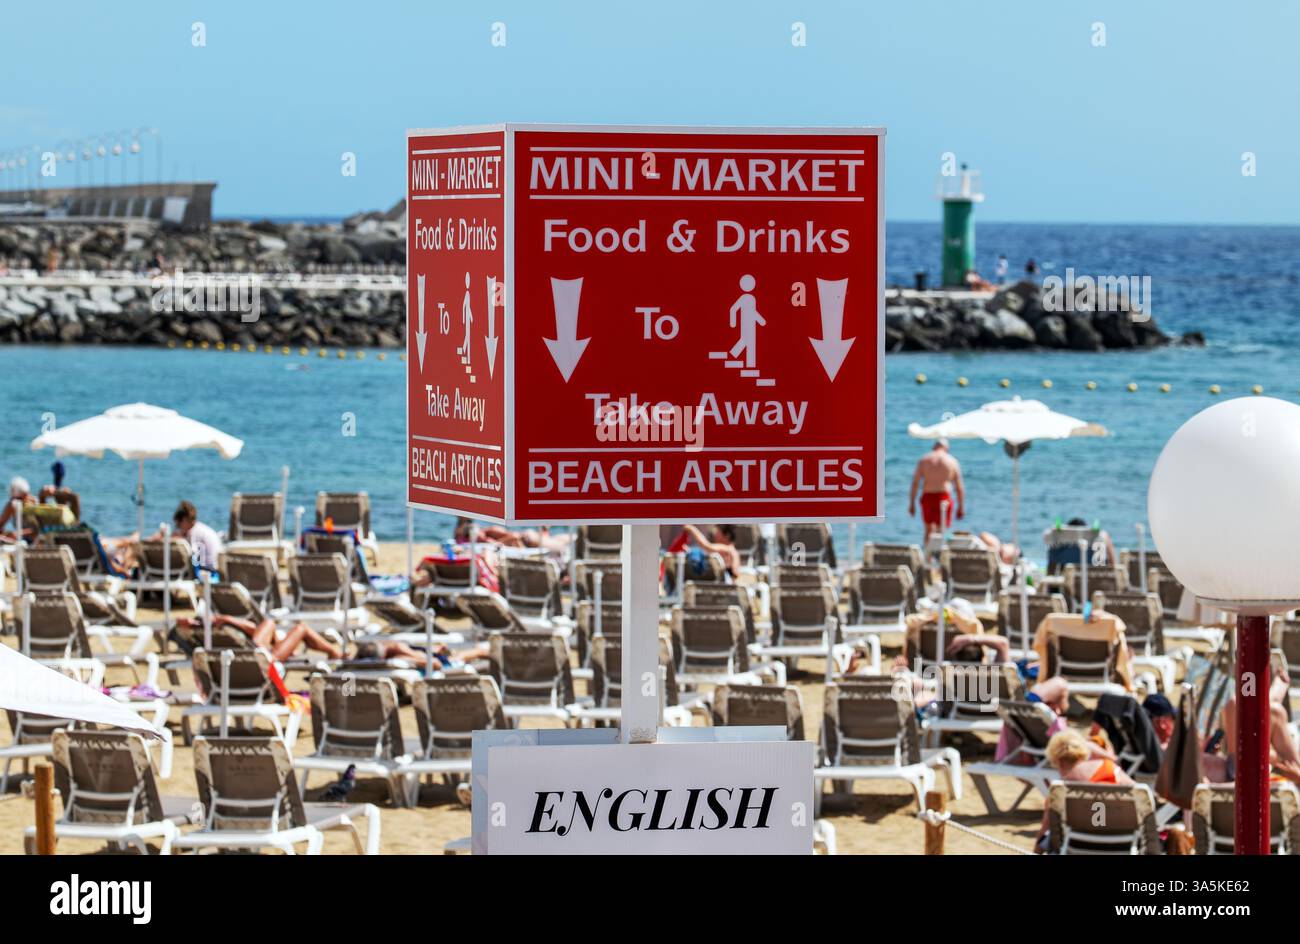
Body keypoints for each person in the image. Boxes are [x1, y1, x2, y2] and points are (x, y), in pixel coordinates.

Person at [908, 439, 964, 543]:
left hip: (928, 496)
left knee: (928, 530)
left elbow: (915, 483)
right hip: (944, 497)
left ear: (934, 447)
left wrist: (912, 504)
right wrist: (961, 507)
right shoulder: (952, 461)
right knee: (941, 530)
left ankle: (928, 557)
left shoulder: (924, 459)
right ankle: (938, 555)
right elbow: (959, 488)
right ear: (946, 449)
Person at [728, 274, 766, 369]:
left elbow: (753, 311)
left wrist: (760, 320)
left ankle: (750, 364)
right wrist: (733, 322)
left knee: (750, 343)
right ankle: (734, 355)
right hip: (746, 324)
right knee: (746, 341)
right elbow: (733, 309)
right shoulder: (745, 298)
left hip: (751, 324)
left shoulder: (751, 298)